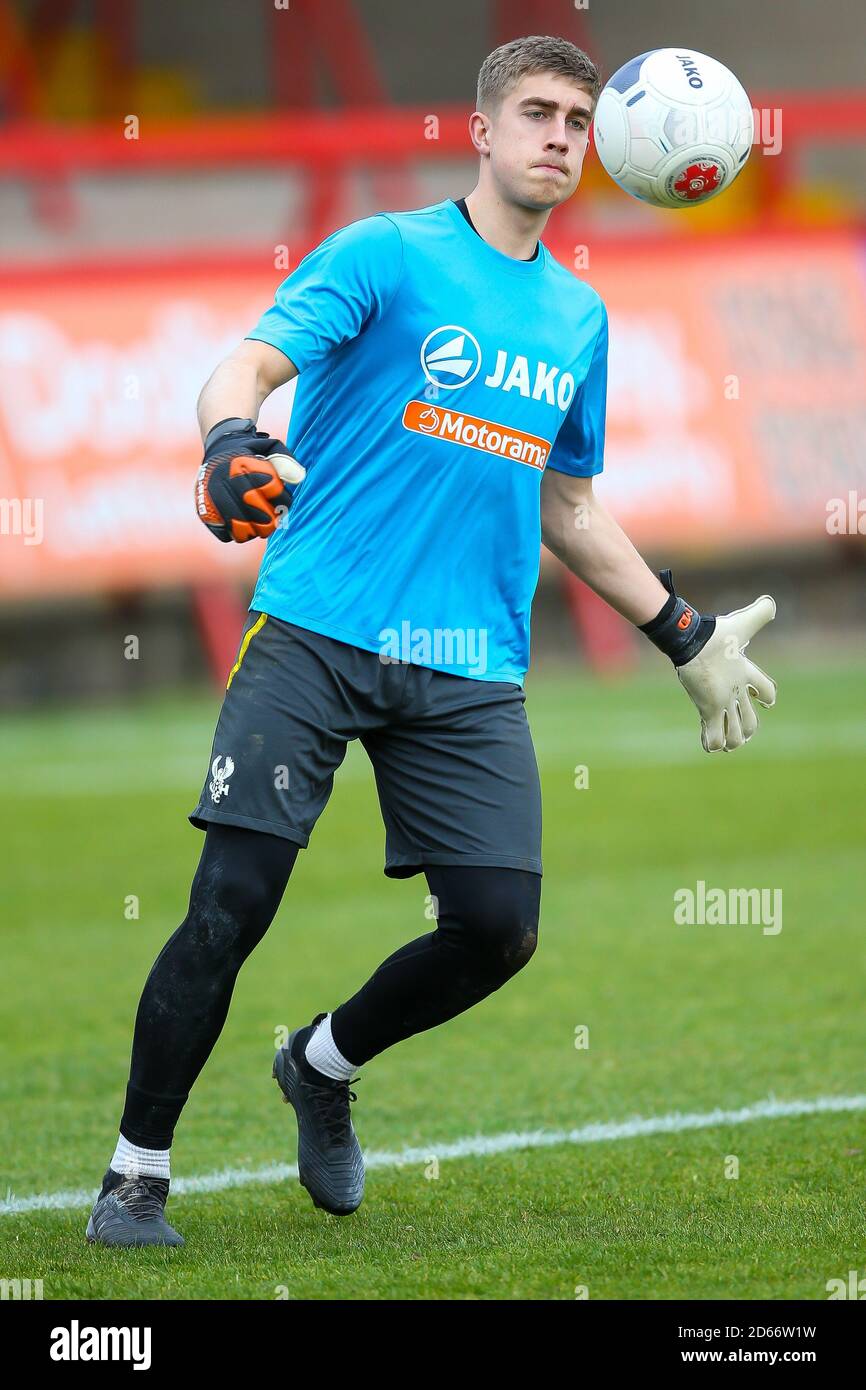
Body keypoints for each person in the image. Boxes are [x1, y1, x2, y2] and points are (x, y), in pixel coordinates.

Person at [86, 34, 776, 1247]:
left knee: (498, 925)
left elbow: (567, 504)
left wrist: (682, 632)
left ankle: (322, 1062)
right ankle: (135, 1174)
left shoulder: (576, 315)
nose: (559, 136)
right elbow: (243, 366)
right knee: (228, 905)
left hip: (467, 664)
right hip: (317, 628)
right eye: (538, 113)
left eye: (575, 119)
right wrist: (227, 443)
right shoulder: (386, 254)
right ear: (481, 128)